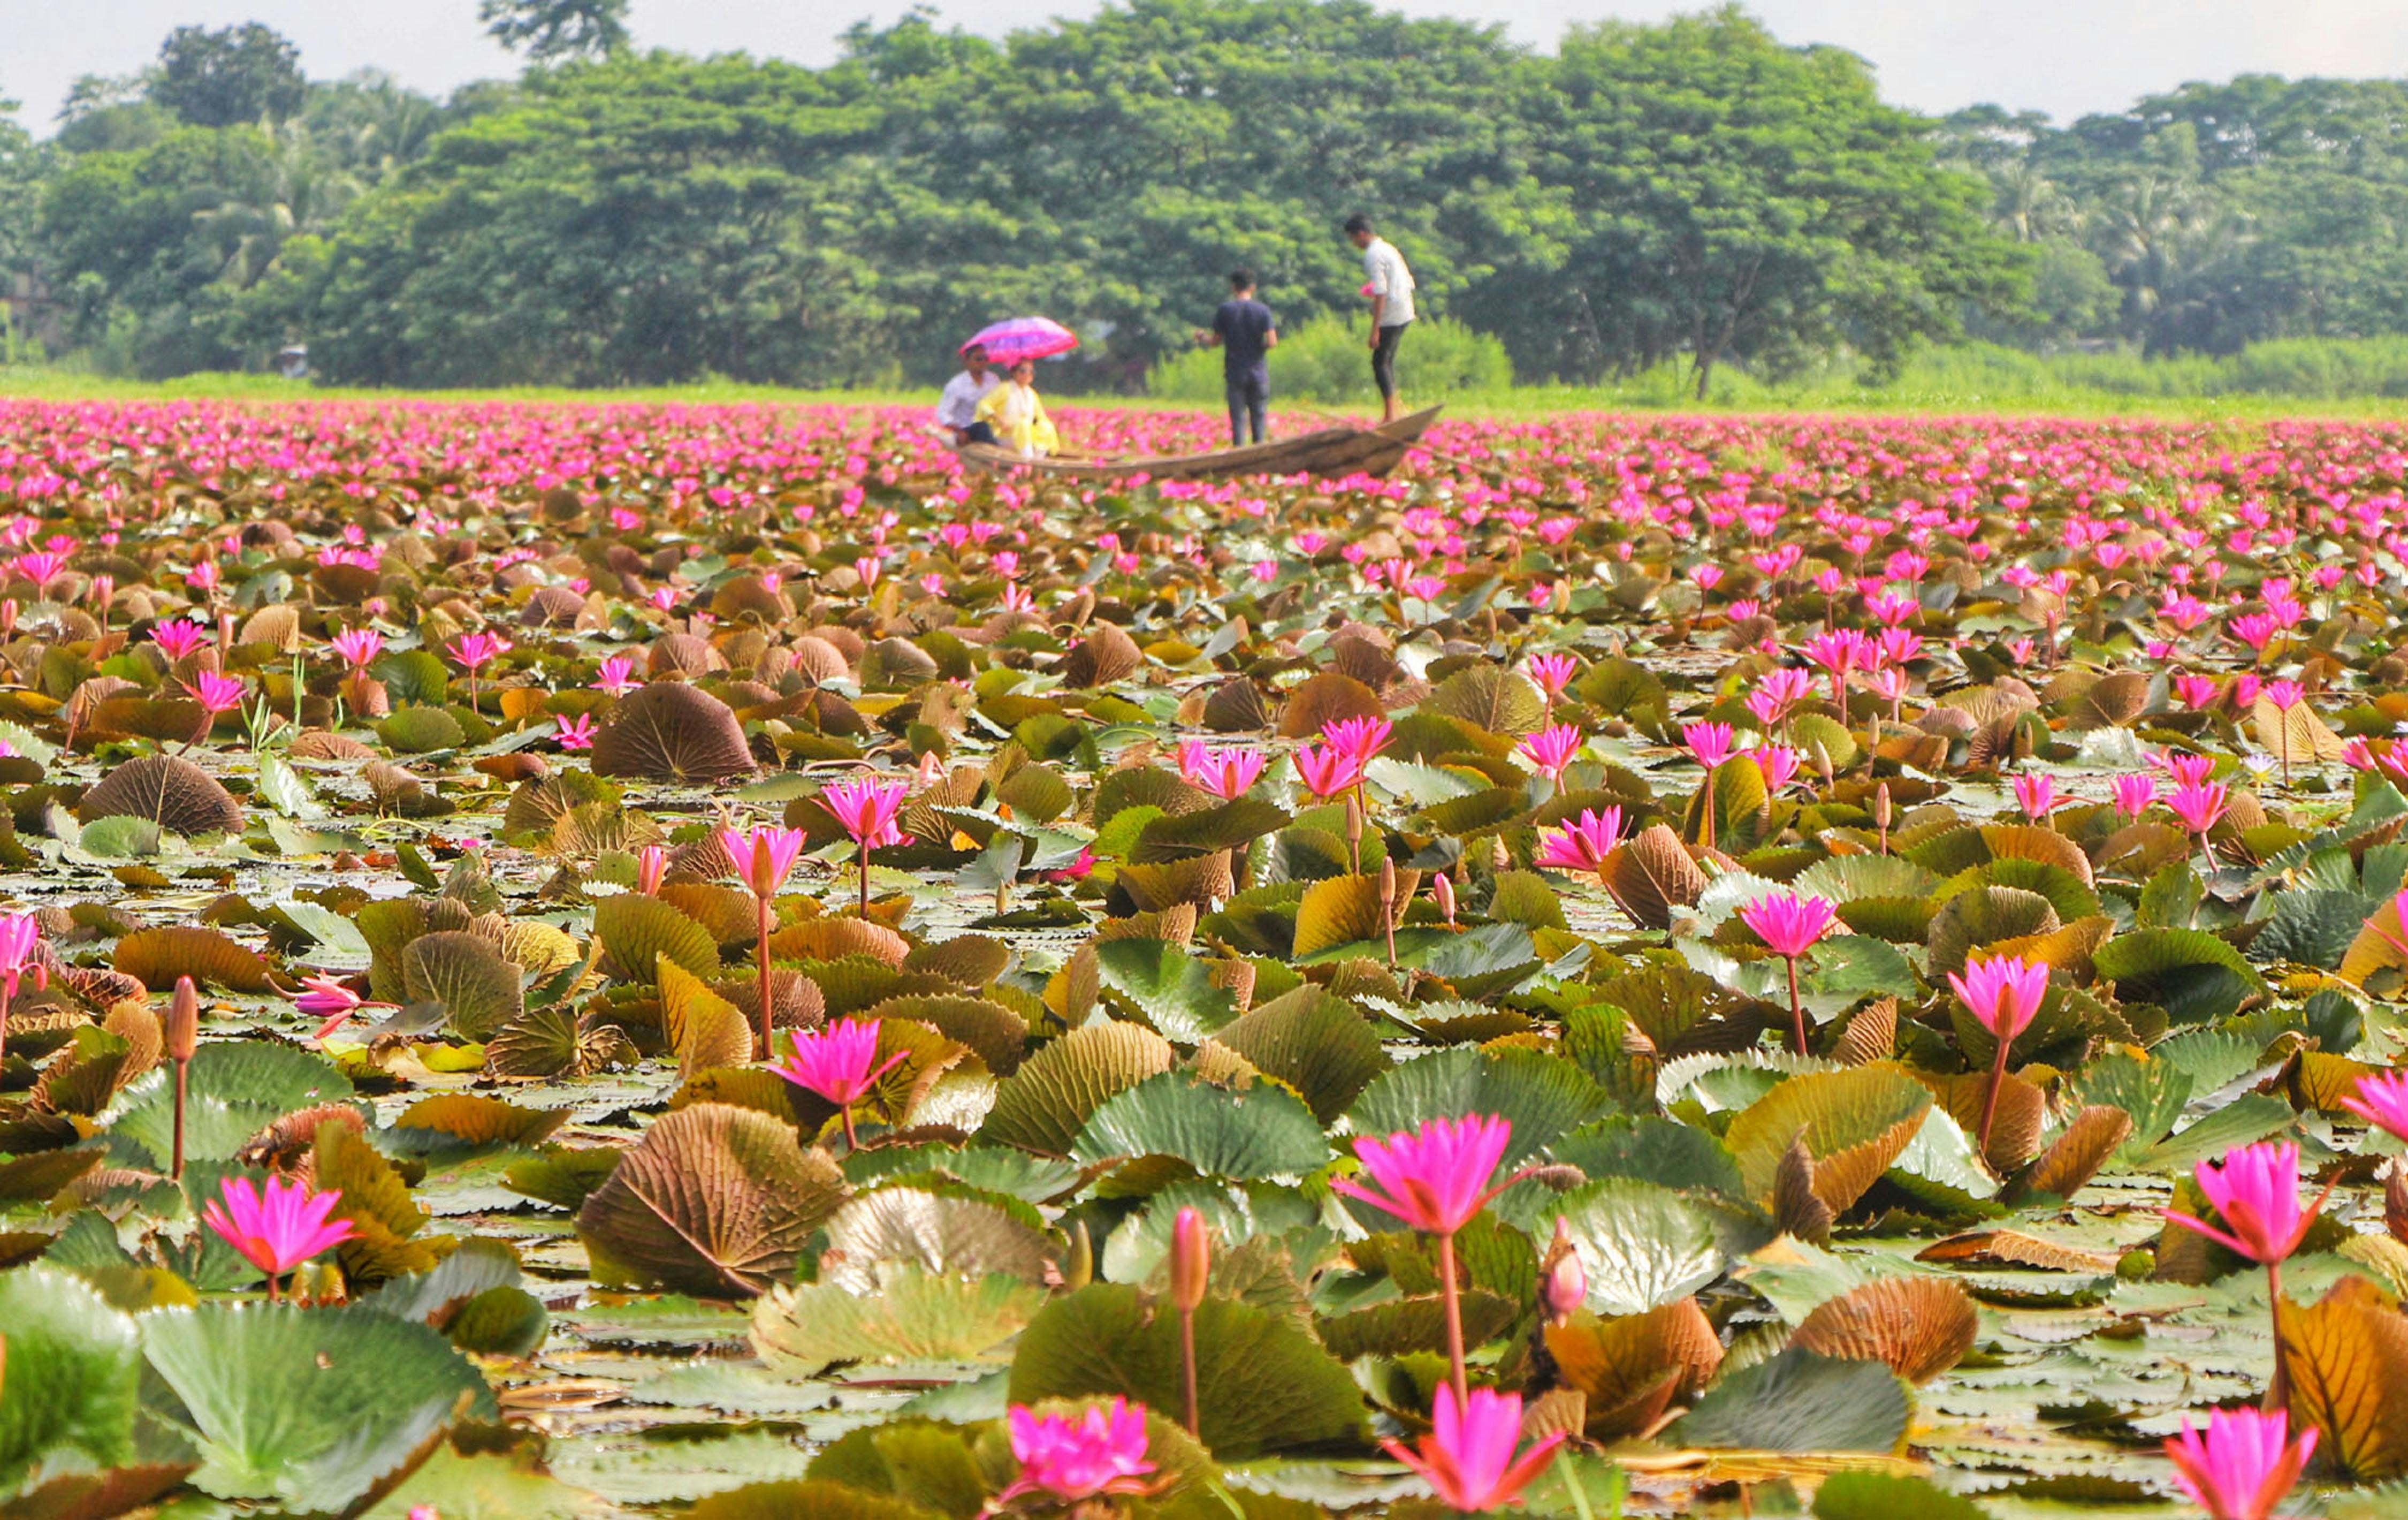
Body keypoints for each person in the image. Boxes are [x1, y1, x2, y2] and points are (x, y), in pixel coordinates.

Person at [1192, 269, 1278, 446]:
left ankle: (1239, 452)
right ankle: (1259, 453)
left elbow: (1215, 342)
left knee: (1238, 418)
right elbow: (1272, 342)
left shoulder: (1226, 310)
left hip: (1235, 372)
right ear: (1252, 288)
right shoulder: (1263, 311)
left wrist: (1202, 337)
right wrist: (1257, 349)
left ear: (1234, 288)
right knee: (1259, 416)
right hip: (1258, 372)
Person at [1345, 214, 1415, 423]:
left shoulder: (1373, 255)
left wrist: (1375, 329)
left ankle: (1390, 415)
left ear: (1362, 235)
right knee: (1387, 361)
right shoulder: (1387, 248)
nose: (1354, 243)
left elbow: (1381, 292)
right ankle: (1395, 409)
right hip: (1405, 308)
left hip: (1393, 313)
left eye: (1353, 239)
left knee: (1380, 362)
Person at [974, 359, 1060, 457]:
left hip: (1027, 434)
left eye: (1031, 372)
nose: (1027, 374)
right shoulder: (1004, 389)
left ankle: (1038, 459)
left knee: (1046, 426)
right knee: (1023, 425)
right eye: (1023, 371)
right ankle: (1028, 459)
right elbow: (983, 405)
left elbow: (1041, 417)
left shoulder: (1032, 394)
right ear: (1013, 372)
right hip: (1006, 434)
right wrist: (997, 417)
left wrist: (1046, 426)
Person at [935, 343, 1001, 445]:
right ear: (966, 360)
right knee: (982, 426)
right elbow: (943, 413)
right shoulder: (956, 385)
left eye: (986, 358)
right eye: (979, 359)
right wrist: (959, 431)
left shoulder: (993, 380)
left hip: (993, 428)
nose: (983, 362)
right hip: (968, 429)